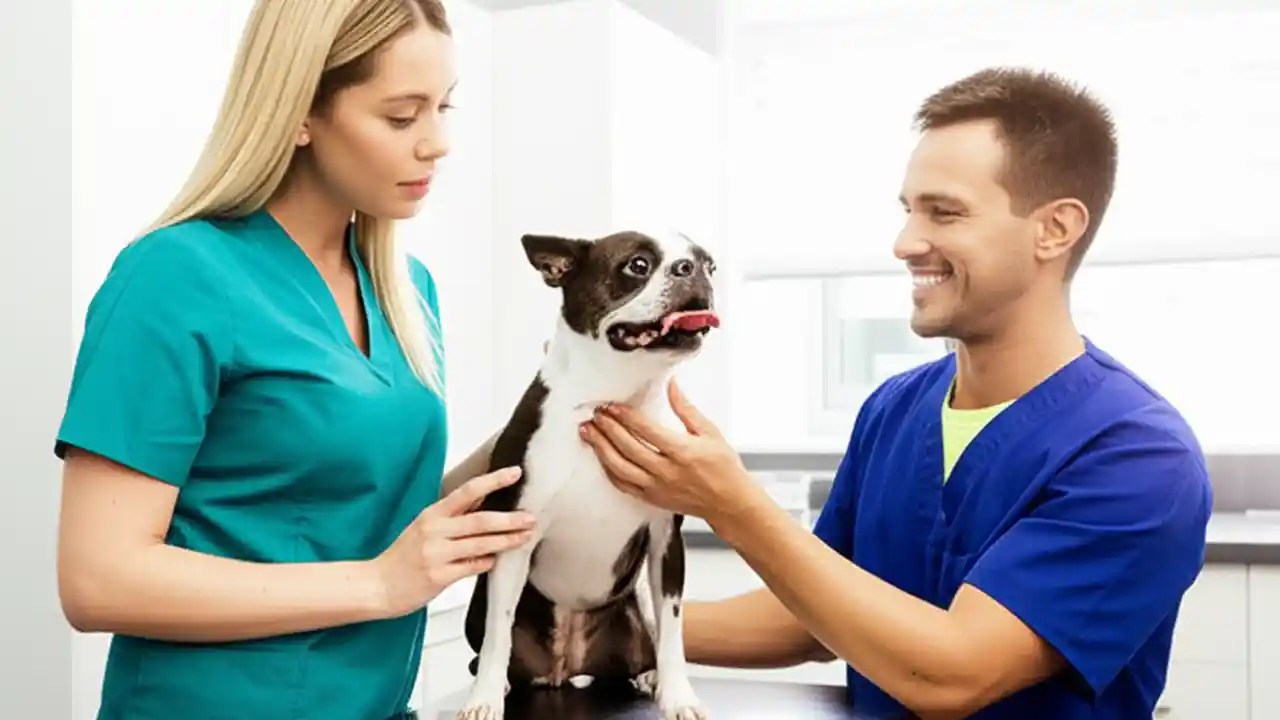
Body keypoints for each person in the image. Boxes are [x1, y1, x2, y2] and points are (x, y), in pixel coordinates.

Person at [581, 66, 1213, 719]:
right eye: (909, 210)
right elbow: (809, 618)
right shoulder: (895, 410)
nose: (906, 242)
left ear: (1054, 229)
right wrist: (605, 635)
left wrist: (731, 503)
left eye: (945, 212)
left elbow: (952, 675)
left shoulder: (1139, 457)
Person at [54, 2, 536, 718]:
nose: (437, 144)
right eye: (402, 117)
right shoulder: (172, 278)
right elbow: (99, 579)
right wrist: (379, 585)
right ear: (300, 114)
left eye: (444, 107)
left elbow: (357, 512)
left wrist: (545, 431)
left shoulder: (408, 291)